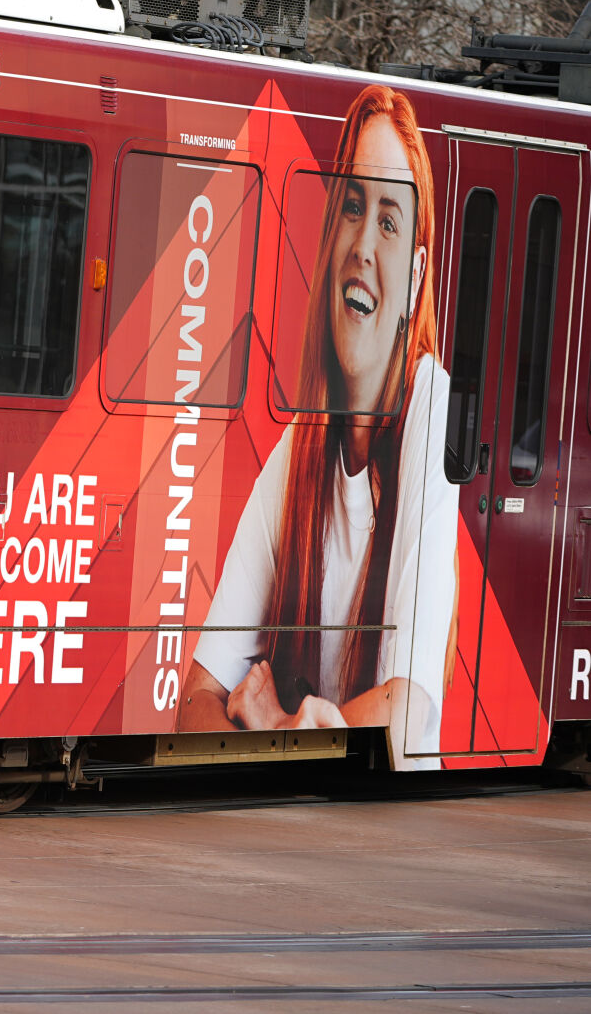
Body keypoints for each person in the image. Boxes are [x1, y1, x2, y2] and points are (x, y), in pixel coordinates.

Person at [178, 84, 456, 768]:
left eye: (389, 220)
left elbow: (402, 706)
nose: (362, 244)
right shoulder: (298, 453)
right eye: (352, 207)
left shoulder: (431, 407)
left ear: (415, 280)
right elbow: (193, 700)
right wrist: (296, 732)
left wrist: (271, 725)